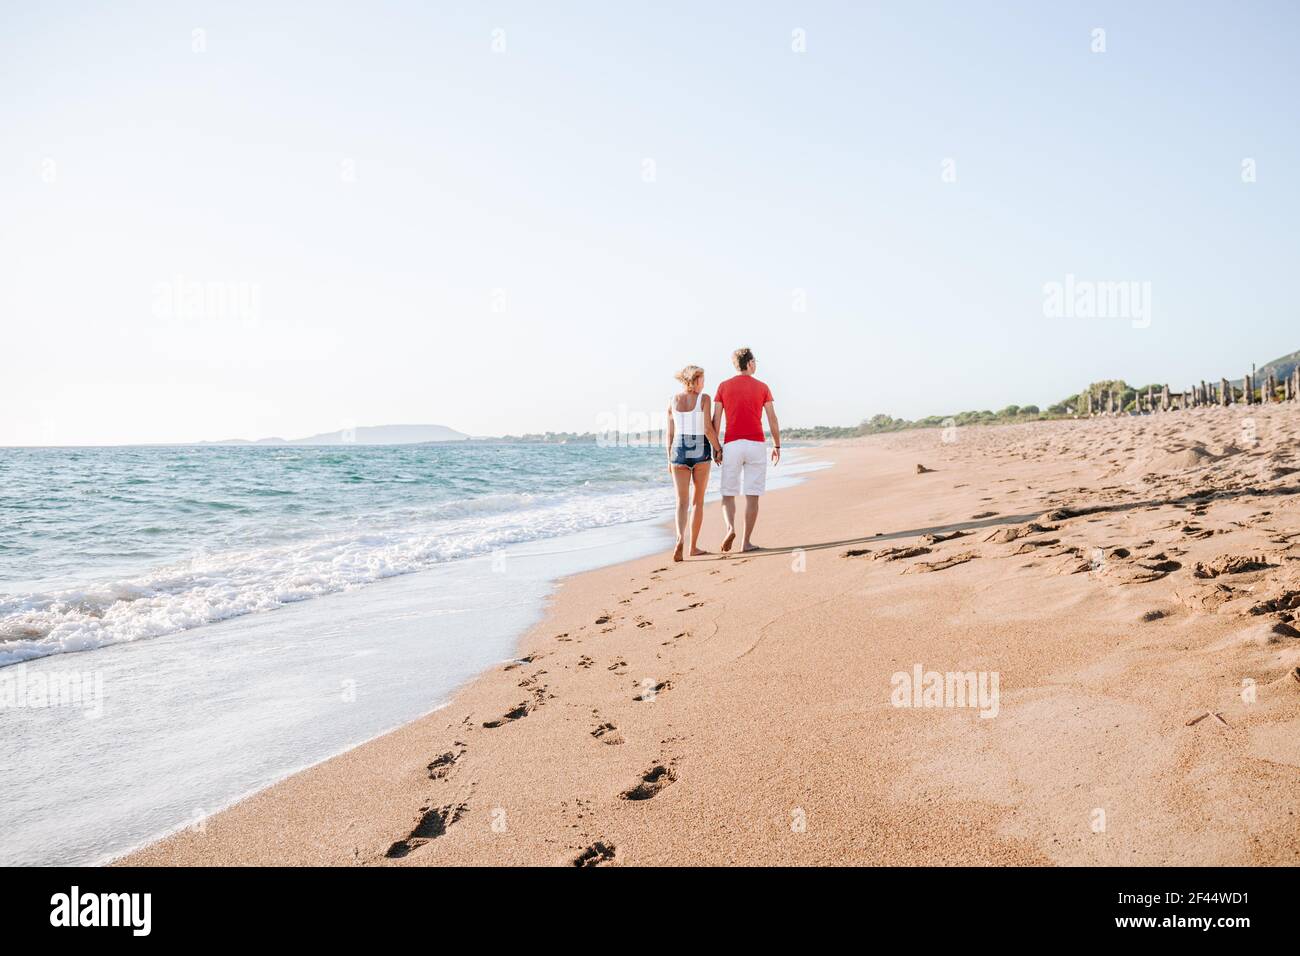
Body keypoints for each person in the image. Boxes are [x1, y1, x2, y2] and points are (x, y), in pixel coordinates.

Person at [711, 347, 781, 552]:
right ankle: (746, 542)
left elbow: (717, 419)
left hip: (732, 444)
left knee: (728, 494)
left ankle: (730, 528)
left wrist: (716, 447)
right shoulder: (763, 387)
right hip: (756, 444)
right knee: (752, 495)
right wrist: (777, 445)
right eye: (755, 361)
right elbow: (772, 419)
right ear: (749, 363)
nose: (756, 364)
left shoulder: (723, 386)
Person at [665, 365, 721, 562]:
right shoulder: (704, 398)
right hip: (699, 447)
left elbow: (669, 433)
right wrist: (718, 448)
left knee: (681, 502)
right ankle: (693, 547)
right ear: (695, 380)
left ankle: (680, 538)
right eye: (702, 379)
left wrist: (668, 457)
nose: (704, 383)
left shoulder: (672, 400)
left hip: (678, 449)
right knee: (697, 501)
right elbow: (707, 428)